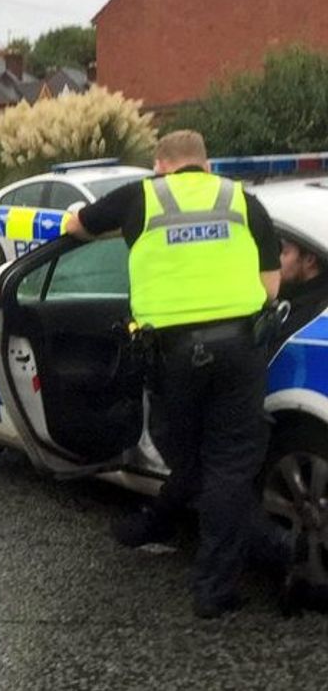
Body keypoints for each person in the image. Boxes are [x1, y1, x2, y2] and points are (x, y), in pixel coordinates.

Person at [65, 130, 292, 618]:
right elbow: (271, 290)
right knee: (226, 468)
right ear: (206, 166)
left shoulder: (139, 198)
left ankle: (231, 567)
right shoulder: (242, 200)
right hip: (238, 352)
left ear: (160, 165)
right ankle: (245, 555)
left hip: (170, 357)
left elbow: (73, 225)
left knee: (190, 460)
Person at [279, 238, 328, 332]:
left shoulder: (307, 313)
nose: (277, 260)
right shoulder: (299, 297)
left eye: (284, 252)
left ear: (309, 260)